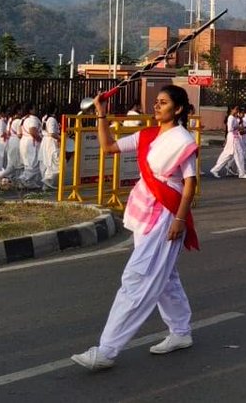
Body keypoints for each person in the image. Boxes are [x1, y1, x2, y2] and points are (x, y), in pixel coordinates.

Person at [72, 85, 200, 371]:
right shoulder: (147, 135)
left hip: (167, 214)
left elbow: (190, 183)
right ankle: (180, 332)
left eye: (164, 103)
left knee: (138, 278)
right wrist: (101, 115)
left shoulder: (182, 140)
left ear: (177, 109)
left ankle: (107, 349)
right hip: (144, 213)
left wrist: (180, 220)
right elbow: (109, 148)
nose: (157, 106)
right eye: (156, 102)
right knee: (165, 277)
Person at [211, 105, 246, 179]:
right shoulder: (231, 118)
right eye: (235, 109)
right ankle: (241, 173)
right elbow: (230, 129)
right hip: (233, 138)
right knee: (239, 154)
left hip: (234, 137)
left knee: (228, 155)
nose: (236, 111)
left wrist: (239, 127)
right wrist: (238, 127)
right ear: (231, 109)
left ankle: (215, 169)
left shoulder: (234, 118)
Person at [39, 105, 61, 190]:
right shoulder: (51, 119)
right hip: (51, 141)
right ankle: (47, 182)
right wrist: (60, 138)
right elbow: (52, 133)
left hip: (45, 141)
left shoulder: (44, 118)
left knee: (48, 162)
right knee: (55, 162)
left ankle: (47, 184)